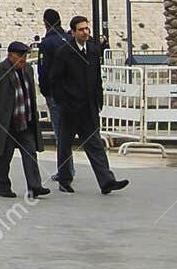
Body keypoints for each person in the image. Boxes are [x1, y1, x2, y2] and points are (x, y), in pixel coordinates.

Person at [44, 16, 128, 195]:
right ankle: (65, 179)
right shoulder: (64, 52)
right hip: (70, 108)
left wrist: (98, 99)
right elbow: (55, 79)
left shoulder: (93, 50)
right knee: (65, 144)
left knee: (95, 144)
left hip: (89, 107)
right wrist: (63, 101)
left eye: (87, 29)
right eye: (81, 29)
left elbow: (97, 77)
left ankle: (107, 181)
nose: (85, 32)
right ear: (73, 32)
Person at [0, 41, 49, 198]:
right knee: (4, 157)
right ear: (10, 55)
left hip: (25, 121)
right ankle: (3, 186)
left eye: (25, 57)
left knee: (30, 154)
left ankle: (34, 186)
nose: (23, 60)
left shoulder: (28, 70)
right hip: (6, 124)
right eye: (20, 56)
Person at [36, 8, 66, 145]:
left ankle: (65, 159)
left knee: (60, 131)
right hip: (71, 91)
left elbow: (43, 69)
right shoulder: (69, 39)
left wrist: (45, 90)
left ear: (45, 23)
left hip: (54, 92)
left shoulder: (47, 43)